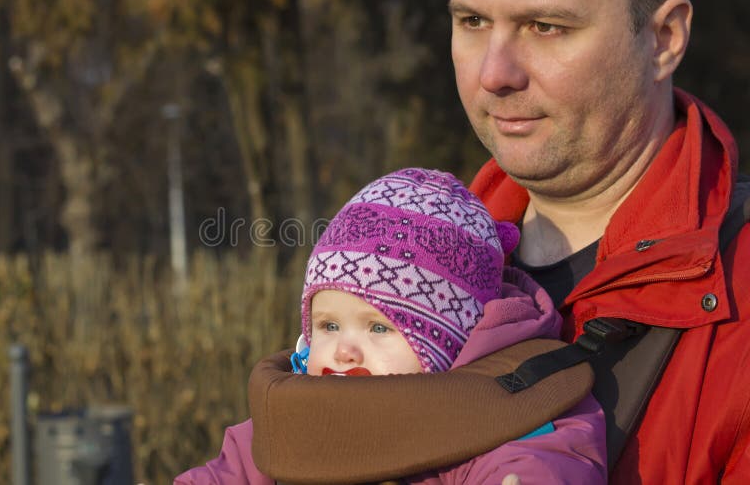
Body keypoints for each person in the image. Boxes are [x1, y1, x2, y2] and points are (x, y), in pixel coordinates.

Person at [246, 0, 750, 483]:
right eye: (473, 21)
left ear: (663, 38)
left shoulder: (737, 298)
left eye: (546, 26)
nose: (494, 73)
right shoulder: (401, 261)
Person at [175, 168, 607, 484]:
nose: (344, 350)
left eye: (378, 329)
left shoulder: (481, 414)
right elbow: (229, 472)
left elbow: (541, 455)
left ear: (450, 341)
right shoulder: (296, 414)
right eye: (327, 326)